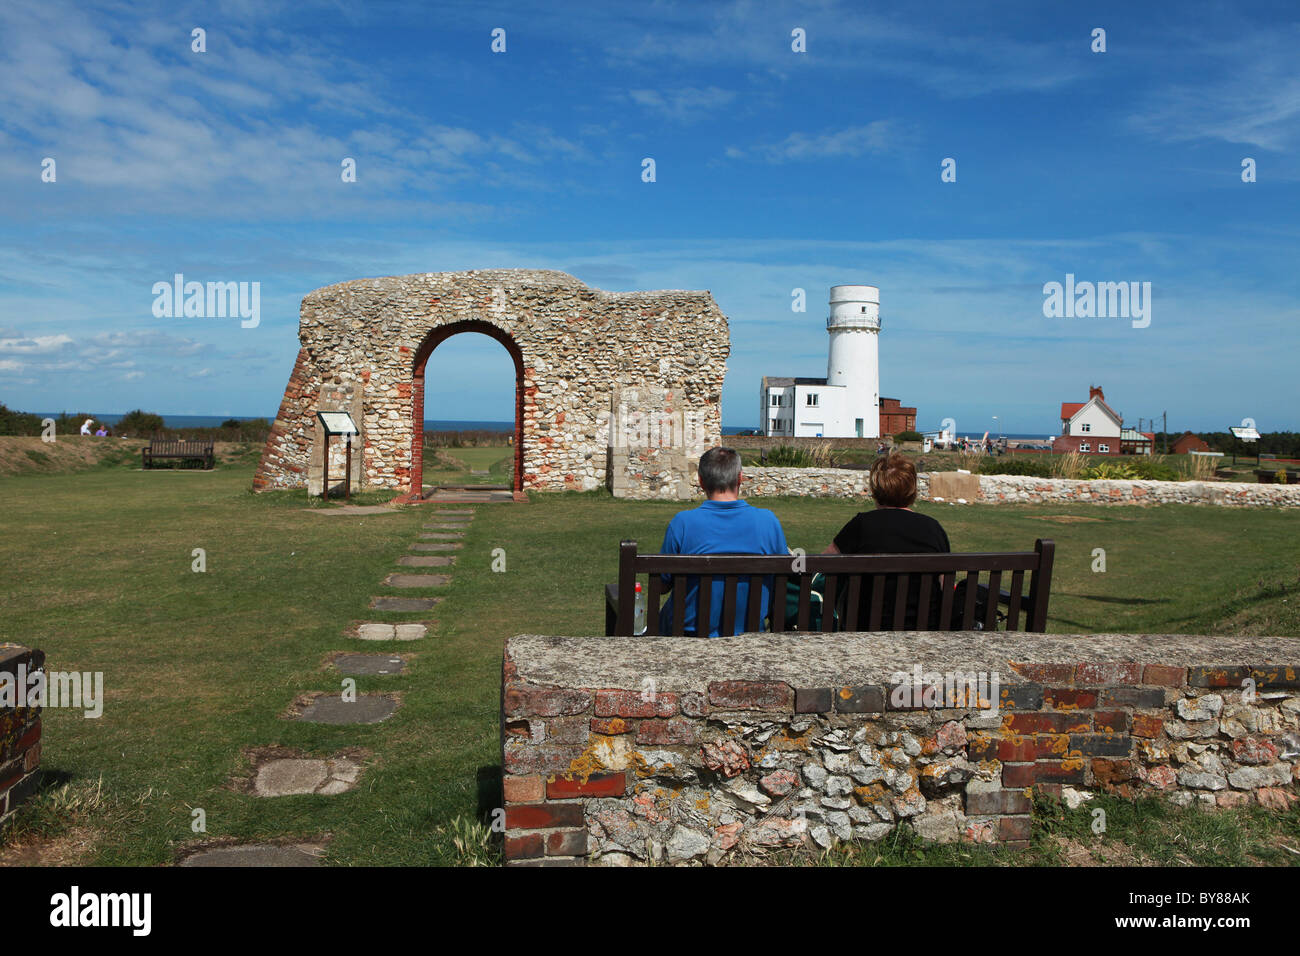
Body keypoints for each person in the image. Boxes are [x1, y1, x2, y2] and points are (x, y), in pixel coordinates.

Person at [656, 446, 789, 637]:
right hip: (749, 637)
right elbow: (781, 581)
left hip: (688, 638)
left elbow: (662, 585)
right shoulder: (768, 522)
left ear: (701, 481)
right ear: (740, 478)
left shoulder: (682, 524)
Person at [823, 452, 951, 629]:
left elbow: (822, 563)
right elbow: (946, 586)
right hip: (924, 634)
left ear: (875, 489)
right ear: (912, 489)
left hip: (866, 632)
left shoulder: (861, 525)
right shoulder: (933, 529)